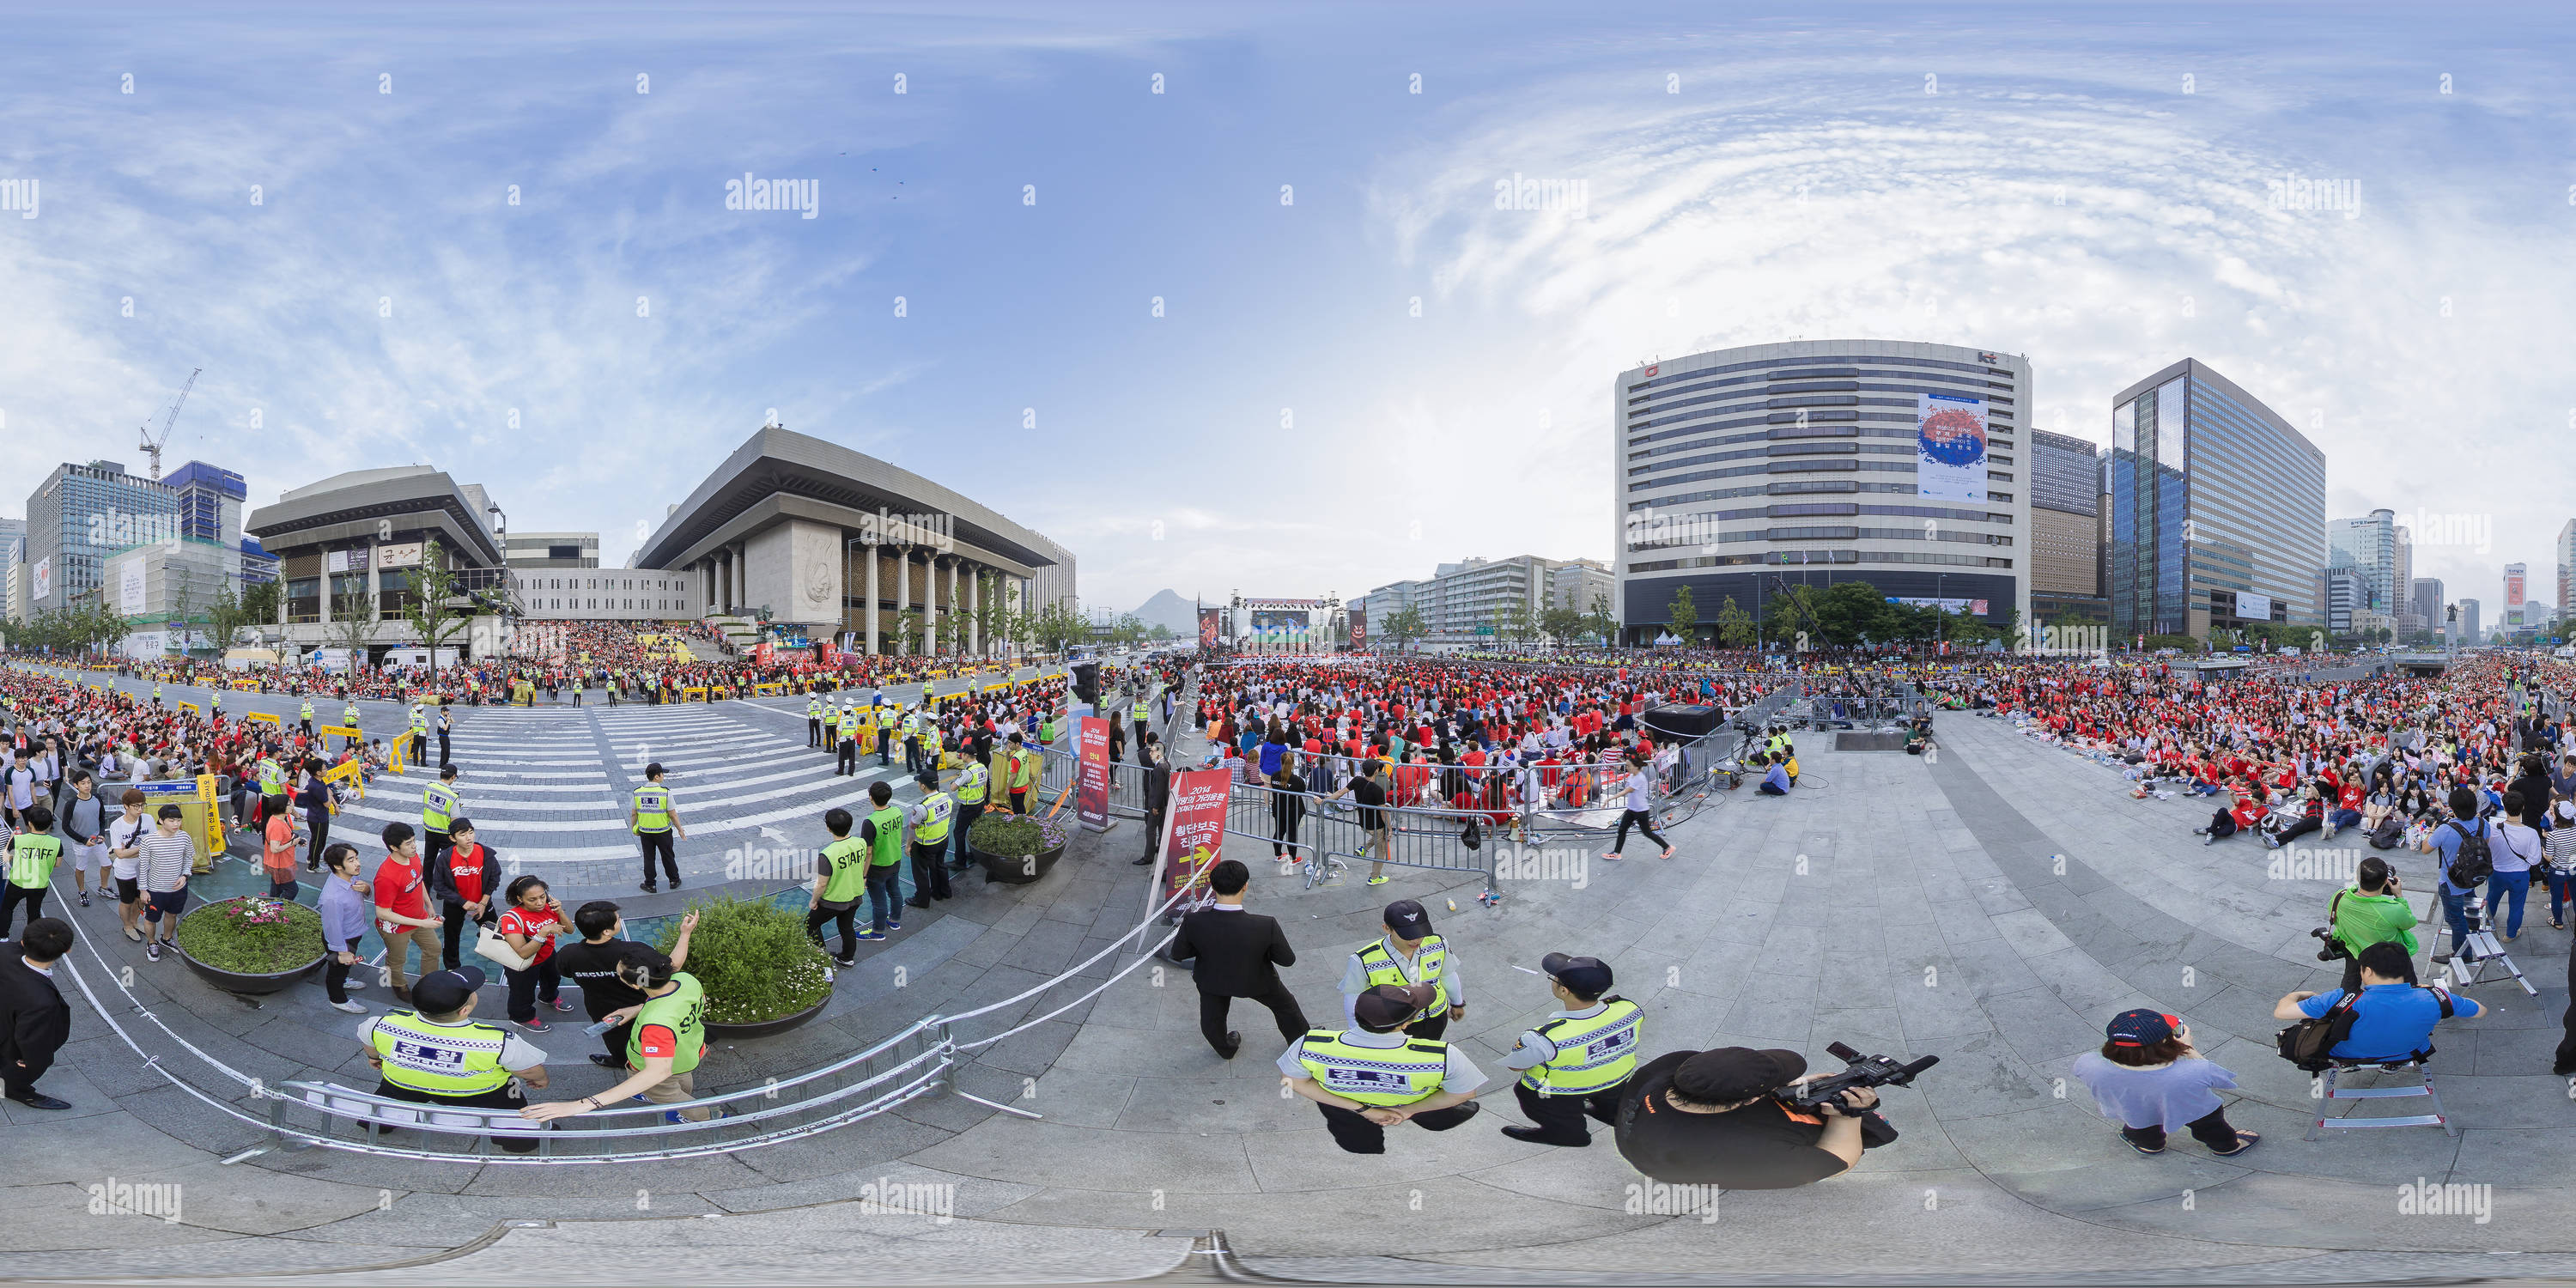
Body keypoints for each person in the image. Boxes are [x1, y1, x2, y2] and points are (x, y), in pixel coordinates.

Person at [1613, 1045, 1885, 1189]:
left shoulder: (1666, 1067)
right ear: (1752, 1099)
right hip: (1684, 1168)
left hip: (1646, 1150)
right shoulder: (1750, 1154)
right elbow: (1838, 1162)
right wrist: (1848, 1116)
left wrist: (1795, 1087)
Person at [355, 965, 553, 1153]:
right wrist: (540, 1080)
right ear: (464, 1010)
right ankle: (521, 1140)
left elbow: (369, 1044)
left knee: (390, 1096)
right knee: (510, 1100)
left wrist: (373, 1058)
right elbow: (528, 1070)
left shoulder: (379, 1024)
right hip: (480, 1093)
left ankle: (378, 1123)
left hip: (402, 1083)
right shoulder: (498, 1041)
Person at [1279, 981, 1485, 1154]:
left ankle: (1363, 1146)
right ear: (1407, 1023)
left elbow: (1293, 1082)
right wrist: (1406, 1112)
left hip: (1344, 1105)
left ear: (1357, 1013)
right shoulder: (1442, 1056)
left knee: (1353, 1136)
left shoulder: (1310, 1045)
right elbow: (1463, 1093)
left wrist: (1365, 1110)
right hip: (1413, 1101)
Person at [522, 952, 722, 1127]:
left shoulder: (656, 1024)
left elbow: (658, 1071)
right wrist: (636, 1010)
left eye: (620, 975)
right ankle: (666, 1096)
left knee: (670, 1093)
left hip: (662, 1065)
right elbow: (679, 1004)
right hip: (689, 1050)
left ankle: (705, 1116)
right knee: (678, 1083)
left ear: (636, 985)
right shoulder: (686, 980)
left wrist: (581, 1105)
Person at [1496, 953, 1641, 1146]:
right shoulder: (1629, 1008)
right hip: (1618, 1078)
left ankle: (1570, 1135)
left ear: (1563, 991)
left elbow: (1515, 1067)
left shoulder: (1544, 1038)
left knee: (1528, 1094)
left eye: (1553, 978)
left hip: (1561, 1091)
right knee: (1611, 1099)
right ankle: (1612, 1115)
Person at [1167, 859, 1308, 1058]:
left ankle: (1226, 1049)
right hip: (1259, 981)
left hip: (1212, 982)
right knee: (1286, 1007)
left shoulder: (1193, 921)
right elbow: (1287, 960)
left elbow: (1178, 954)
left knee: (1212, 1020)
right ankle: (1300, 1045)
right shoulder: (1265, 925)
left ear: (1212, 885)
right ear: (1245, 886)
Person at [2069, 1008, 2256, 1157]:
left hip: (2134, 1110)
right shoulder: (2195, 1071)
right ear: (2168, 1041)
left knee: (2140, 1128)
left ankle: (2150, 1146)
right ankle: (2227, 1147)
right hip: (2193, 1109)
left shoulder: (2089, 1063)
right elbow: (2221, 1079)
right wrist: (2189, 1049)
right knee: (2211, 1128)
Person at [2274, 941, 2480, 1062]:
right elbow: (2479, 1010)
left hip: (2348, 1053)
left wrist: (2296, 995)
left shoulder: (2338, 999)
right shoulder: (2434, 998)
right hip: (2409, 1050)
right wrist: (2432, 991)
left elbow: (2282, 1013)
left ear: (2368, 971)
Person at [557, 902, 696, 1069]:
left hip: (602, 1010)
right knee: (647, 1037)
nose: (620, 920)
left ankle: (621, 1061)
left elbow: (565, 972)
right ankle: (645, 1064)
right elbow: (671, 968)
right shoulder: (634, 953)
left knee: (615, 1041)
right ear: (606, 931)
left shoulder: (568, 954)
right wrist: (685, 934)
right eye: (617, 919)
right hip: (642, 1005)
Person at [1339, 899, 1461, 1039]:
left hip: (1436, 1017)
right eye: (1407, 934)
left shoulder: (1438, 943)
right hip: (1395, 1027)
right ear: (1386, 928)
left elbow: (1447, 974)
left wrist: (1457, 1002)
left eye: (1420, 932)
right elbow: (1353, 998)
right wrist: (1358, 1034)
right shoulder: (1363, 960)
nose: (1416, 940)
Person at [2, 918, 76, 1109]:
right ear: (67, 950)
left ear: (23, 942)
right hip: (8, 1043)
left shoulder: (4, 951)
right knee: (17, 1074)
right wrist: (35, 1061)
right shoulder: (41, 1002)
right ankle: (17, 1091)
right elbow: (33, 1040)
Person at [2421, 786, 2499, 963]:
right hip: (2473, 877)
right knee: (2469, 901)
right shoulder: (2483, 824)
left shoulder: (2445, 830)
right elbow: (2483, 845)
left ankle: (2463, 955)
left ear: (2454, 809)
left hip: (2451, 882)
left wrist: (2432, 831)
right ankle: (2473, 925)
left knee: (2455, 919)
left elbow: (2425, 849)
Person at [371, 823, 445, 1003]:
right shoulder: (386, 876)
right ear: (394, 847)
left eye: (414, 841)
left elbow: (418, 882)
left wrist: (429, 906)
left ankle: (427, 984)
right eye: (409, 843)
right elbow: (382, 913)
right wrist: (423, 923)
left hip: (418, 918)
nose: (414, 846)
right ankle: (398, 984)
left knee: (434, 949)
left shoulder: (413, 857)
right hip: (396, 927)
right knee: (397, 960)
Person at [495, 875, 575, 1031]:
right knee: (522, 993)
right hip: (523, 965)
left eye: (542, 897)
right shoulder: (512, 919)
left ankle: (549, 997)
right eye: (532, 899)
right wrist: (543, 932)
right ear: (520, 898)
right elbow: (523, 953)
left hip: (547, 954)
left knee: (553, 979)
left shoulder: (548, 907)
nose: (539, 903)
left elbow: (570, 930)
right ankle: (522, 1017)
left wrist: (560, 912)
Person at [2327, 857, 2419, 993]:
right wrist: (2399, 895)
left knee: (2351, 980)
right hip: (2387, 956)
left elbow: (2333, 914)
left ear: (2358, 878)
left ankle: (2345, 1004)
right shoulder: (2393, 909)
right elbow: (2409, 923)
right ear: (2385, 882)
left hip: (2355, 949)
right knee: (2409, 984)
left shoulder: (2339, 897)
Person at [430, 817, 502, 971]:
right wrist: (461, 902)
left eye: (471, 832)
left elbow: (494, 878)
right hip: (454, 904)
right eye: (463, 834)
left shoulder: (486, 854)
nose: (469, 837)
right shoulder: (445, 858)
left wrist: (483, 903)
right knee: (451, 936)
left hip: (482, 902)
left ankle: (493, 950)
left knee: (494, 930)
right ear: (452, 838)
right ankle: (452, 967)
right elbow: (439, 885)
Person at [808, 807, 872, 964]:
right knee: (846, 926)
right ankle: (847, 958)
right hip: (855, 895)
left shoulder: (827, 854)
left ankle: (821, 958)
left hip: (833, 900)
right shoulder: (860, 843)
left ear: (828, 828)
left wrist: (814, 901)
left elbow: (822, 884)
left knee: (810, 923)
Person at [316, 843, 373, 1014]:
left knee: (343, 968)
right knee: (336, 970)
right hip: (342, 940)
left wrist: (367, 889)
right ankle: (338, 999)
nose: (358, 863)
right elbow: (332, 927)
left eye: (356, 858)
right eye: (351, 860)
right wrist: (342, 951)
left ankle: (344, 979)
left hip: (354, 932)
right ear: (338, 866)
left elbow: (366, 893)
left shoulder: (349, 877)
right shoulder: (332, 897)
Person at [137, 805, 196, 963]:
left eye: (178, 820)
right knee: (151, 919)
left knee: (172, 915)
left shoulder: (184, 837)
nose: (176, 824)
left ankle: (167, 938)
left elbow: (189, 857)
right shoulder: (149, 841)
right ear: (161, 821)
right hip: (155, 890)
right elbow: (143, 866)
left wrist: (185, 875)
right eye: (172, 820)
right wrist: (143, 890)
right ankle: (151, 943)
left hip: (178, 889)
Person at [1322, 759, 1392, 886]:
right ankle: (1374, 877)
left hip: (1364, 822)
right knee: (1381, 851)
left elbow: (1339, 793)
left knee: (1379, 837)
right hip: (1376, 825)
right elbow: (1383, 812)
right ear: (1376, 770)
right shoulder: (1377, 790)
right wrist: (1390, 828)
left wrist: (1324, 801)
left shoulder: (1357, 781)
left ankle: (1363, 849)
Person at [2490, 790, 2543, 940]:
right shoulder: (2531, 833)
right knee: (2517, 906)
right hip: (2519, 875)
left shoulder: (2493, 828)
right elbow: (2534, 860)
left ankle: (2487, 920)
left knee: (2491, 899)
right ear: (2523, 808)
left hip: (2497, 873)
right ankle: (2511, 934)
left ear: (2504, 808)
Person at [3, 805, 61, 942]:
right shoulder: (56, 843)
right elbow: (58, 864)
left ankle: (3, 936)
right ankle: (31, 939)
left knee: (7, 908)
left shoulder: (19, 840)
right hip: (39, 884)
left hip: (17, 882)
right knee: (34, 912)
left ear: (29, 823)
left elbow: (6, 858)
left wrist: (10, 840)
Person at [1603, 752, 1676, 861]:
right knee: (1622, 829)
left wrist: (1610, 798)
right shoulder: (1633, 775)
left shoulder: (1639, 778)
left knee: (1647, 833)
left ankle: (1667, 847)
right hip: (1632, 809)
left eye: (1629, 766)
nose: (1627, 768)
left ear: (1636, 766)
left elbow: (1627, 790)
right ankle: (1617, 853)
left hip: (1640, 811)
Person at [629, 762, 684, 893]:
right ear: (657, 777)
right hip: (663, 832)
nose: (663, 776)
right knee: (668, 856)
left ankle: (650, 884)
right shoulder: (665, 793)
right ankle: (674, 880)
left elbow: (633, 813)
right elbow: (672, 814)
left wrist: (634, 828)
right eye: (662, 774)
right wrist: (680, 830)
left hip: (645, 832)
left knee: (649, 857)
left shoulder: (637, 792)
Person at [58, 772, 110, 909]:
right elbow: (65, 826)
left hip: (98, 840)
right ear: (76, 785)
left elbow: (101, 818)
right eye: (83, 783)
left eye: (88, 782)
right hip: (81, 843)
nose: (87, 786)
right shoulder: (71, 803)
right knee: (81, 869)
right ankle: (82, 891)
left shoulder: (97, 798)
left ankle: (104, 887)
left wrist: (101, 833)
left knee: (107, 865)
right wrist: (83, 840)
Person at [106, 788, 149, 943]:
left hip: (144, 868)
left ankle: (135, 921)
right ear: (126, 806)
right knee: (126, 901)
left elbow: (153, 845)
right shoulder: (117, 825)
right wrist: (143, 847)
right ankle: (127, 926)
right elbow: (120, 854)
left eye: (142, 805)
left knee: (141, 899)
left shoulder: (148, 819)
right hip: (125, 870)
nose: (140, 809)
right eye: (136, 806)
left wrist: (130, 850)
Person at [1133, 739, 1170, 868]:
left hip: (1157, 804)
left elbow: (1159, 789)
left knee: (1150, 830)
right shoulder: (1166, 764)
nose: (1150, 754)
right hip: (1163, 804)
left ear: (1159, 753)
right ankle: (1161, 847)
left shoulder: (1159, 768)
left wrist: (1155, 806)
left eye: (1152, 751)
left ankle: (1148, 857)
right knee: (1161, 827)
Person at [260, 791, 301, 901]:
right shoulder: (277, 825)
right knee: (292, 890)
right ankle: (279, 907)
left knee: (276, 890)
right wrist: (293, 843)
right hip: (280, 865)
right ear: (282, 807)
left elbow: (283, 838)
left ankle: (272, 909)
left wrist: (295, 840)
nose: (292, 805)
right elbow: (275, 848)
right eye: (289, 803)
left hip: (276, 863)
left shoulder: (277, 819)